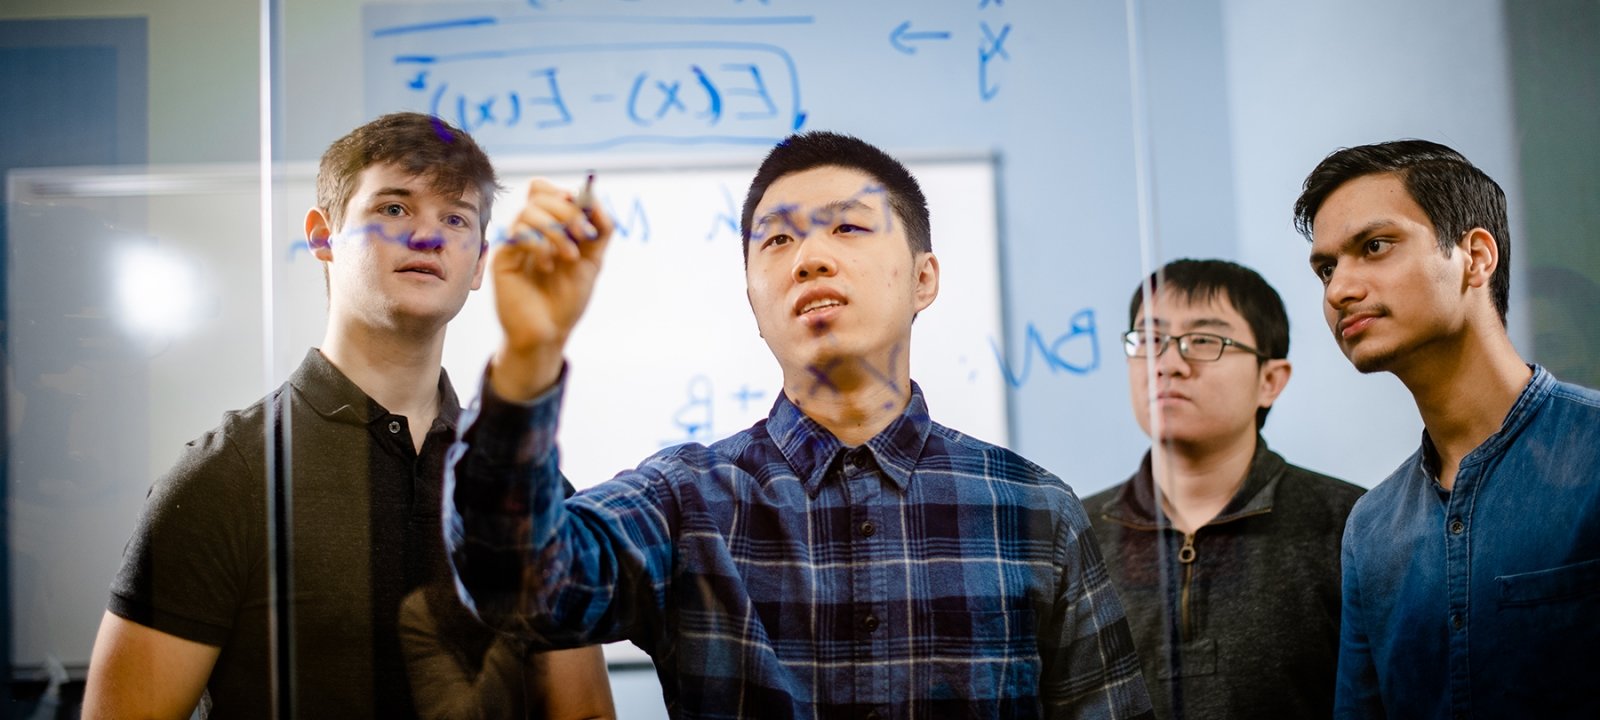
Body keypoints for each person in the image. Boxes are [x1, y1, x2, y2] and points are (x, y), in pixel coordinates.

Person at [443, 131, 1154, 718]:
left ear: (923, 279)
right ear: (754, 300)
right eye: (778, 240)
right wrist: (530, 353)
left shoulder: (1034, 511)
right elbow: (520, 587)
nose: (810, 258)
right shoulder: (686, 500)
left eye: (848, 226)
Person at [82, 112, 615, 719]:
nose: (428, 236)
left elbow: (585, 713)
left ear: (479, 264)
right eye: (394, 208)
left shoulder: (527, 485)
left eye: (455, 218)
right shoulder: (225, 478)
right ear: (322, 235)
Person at [1293, 139, 1600, 718]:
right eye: (1327, 269)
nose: (1338, 290)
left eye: (1374, 246)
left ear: (1476, 257)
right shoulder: (1372, 528)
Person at [1084, 258, 1364, 718]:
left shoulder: (1350, 525)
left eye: (1204, 341)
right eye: (1150, 340)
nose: (1168, 365)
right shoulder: (1077, 537)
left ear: (1270, 381)